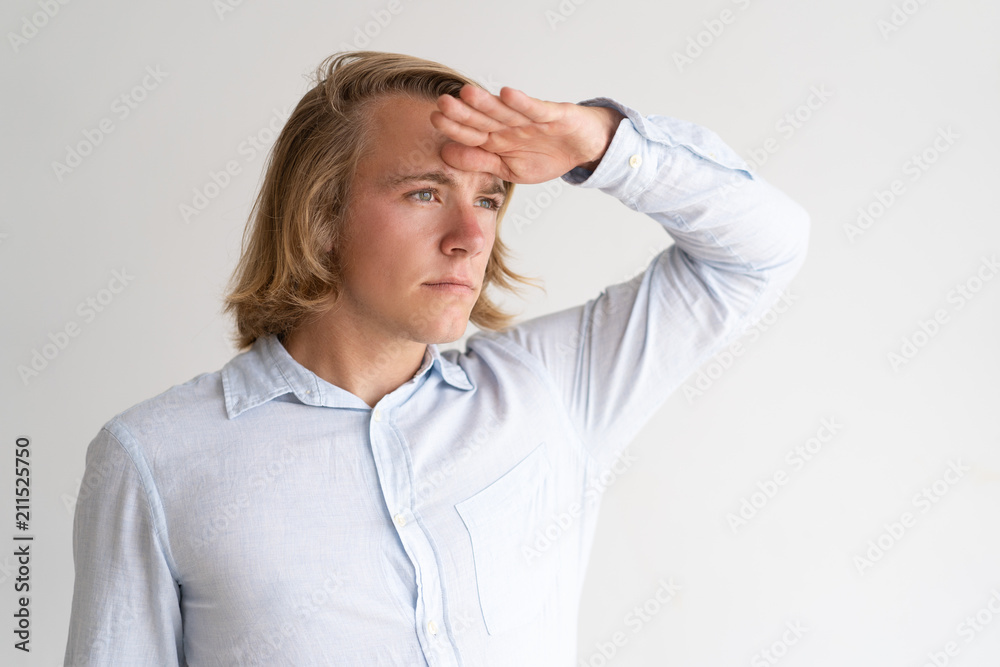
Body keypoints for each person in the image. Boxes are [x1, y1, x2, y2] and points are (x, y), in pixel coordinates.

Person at [64, 50, 809, 665]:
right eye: (426, 193)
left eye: (488, 198)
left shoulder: (552, 388)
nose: (471, 237)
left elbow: (760, 253)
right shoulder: (154, 459)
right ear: (320, 215)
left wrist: (604, 145)